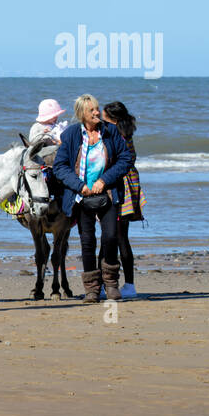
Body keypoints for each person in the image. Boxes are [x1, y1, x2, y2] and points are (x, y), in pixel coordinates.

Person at [52, 94, 133, 304]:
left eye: (97, 109)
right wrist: (81, 186)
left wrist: (104, 180)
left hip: (108, 193)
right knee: (87, 242)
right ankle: (92, 289)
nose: (97, 113)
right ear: (82, 114)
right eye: (92, 110)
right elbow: (60, 166)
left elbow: (126, 158)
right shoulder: (71, 134)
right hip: (81, 198)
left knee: (111, 238)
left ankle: (112, 284)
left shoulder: (111, 131)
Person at [102, 100, 142, 299]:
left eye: (103, 116)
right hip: (130, 183)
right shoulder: (127, 131)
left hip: (118, 185)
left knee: (110, 236)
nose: (100, 118)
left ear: (112, 118)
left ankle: (108, 285)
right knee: (121, 237)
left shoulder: (114, 133)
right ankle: (129, 285)